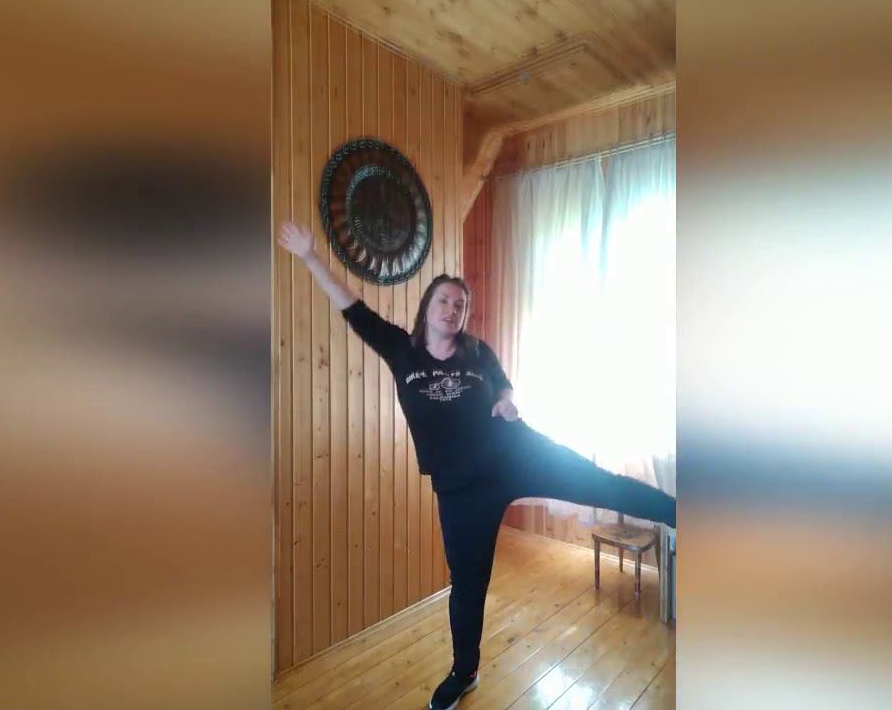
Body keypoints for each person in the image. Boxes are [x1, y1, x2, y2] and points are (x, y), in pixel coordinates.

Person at [278, 221, 675, 710]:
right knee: (468, 585)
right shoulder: (401, 350)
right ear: (428, 307)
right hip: (461, 489)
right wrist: (310, 257)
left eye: (461, 304)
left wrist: (506, 400)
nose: (453, 309)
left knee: (602, 485)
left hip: (516, 454)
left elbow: (503, 382)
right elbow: (352, 308)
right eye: (445, 300)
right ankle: (464, 671)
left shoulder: (477, 351)